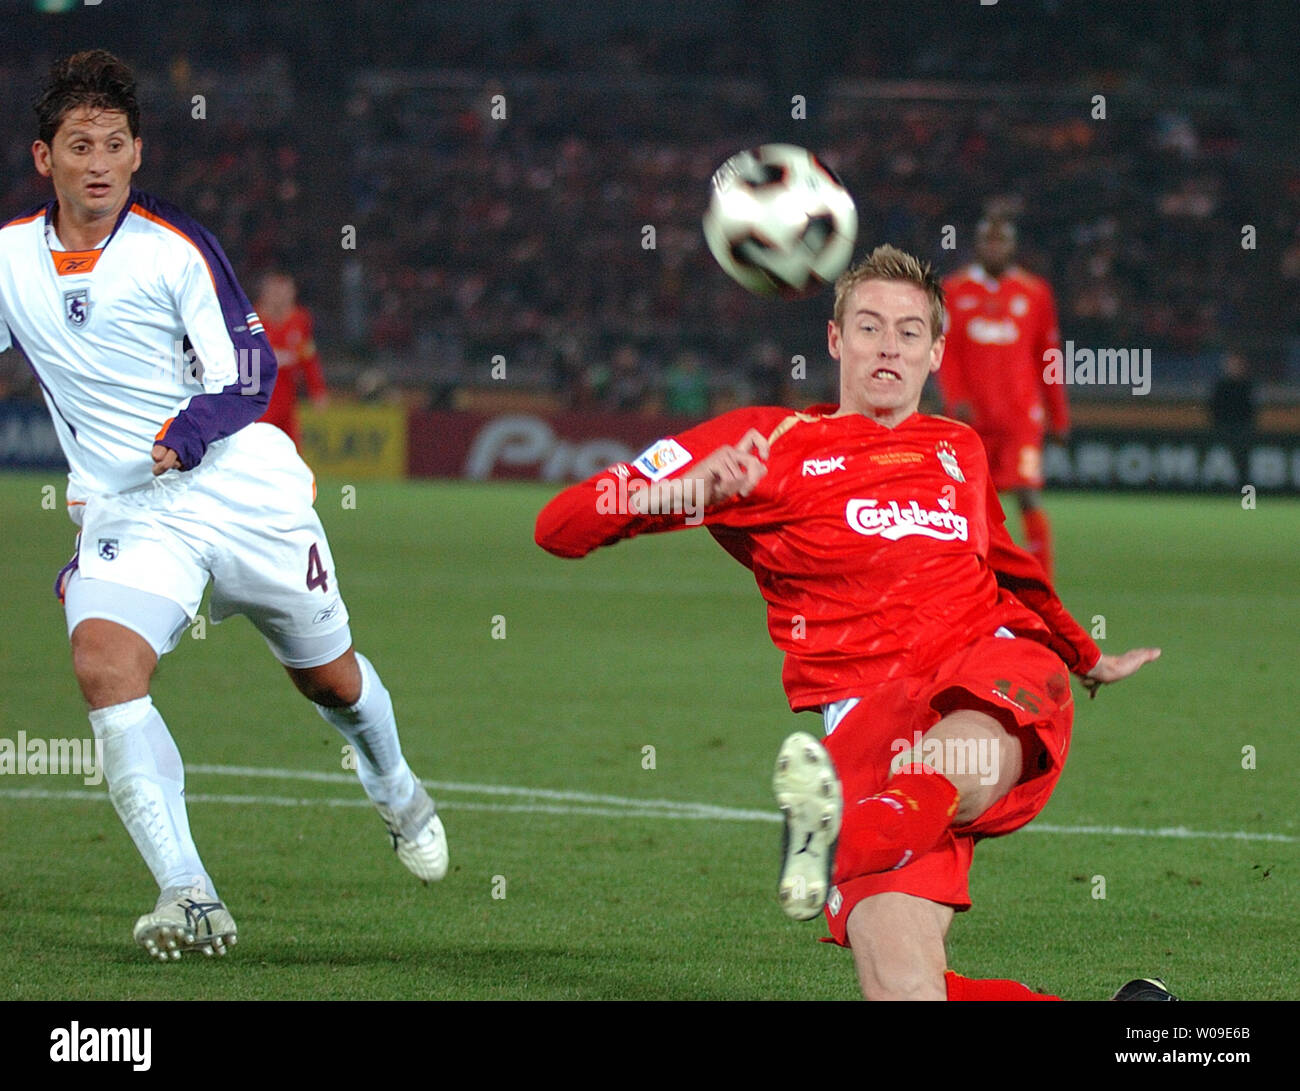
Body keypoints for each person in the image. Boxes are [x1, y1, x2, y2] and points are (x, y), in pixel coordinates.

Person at [536, 244, 1168, 1001]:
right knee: (907, 988)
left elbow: (1011, 566)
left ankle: (839, 835)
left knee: (941, 759)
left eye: (908, 332)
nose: (888, 348)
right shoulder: (765, 443)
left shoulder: (957, 448)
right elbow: (560, 526)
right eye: (869, 327)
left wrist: (1085, 654)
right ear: (836, 340)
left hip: (987, 670)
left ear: (936, 351)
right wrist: (684, 492)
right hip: (862, 725)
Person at [0, 51, 447, 962]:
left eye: (114, 145)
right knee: (103, 665)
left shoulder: (174, 248)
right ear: (43, 158)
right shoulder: (10, 259)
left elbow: (248, 370)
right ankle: (189, 892)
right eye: (78, 144)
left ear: (137, 155)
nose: (98, 162)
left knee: (330, 679)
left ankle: (398, 788)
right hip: (134, 510)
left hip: (234, 485)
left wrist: (190, 429)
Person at [938, 218, 1066, 579]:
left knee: (1027, 493)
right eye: (988, 241)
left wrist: (1059, 415)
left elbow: (1048, 356)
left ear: (1013, 246)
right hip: (973, 421)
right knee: (971, 501)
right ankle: (972, 575)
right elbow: (946, 352)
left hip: (1021, 417)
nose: (995, 248)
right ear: (977, 245)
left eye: (1002, 241)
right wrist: (955, 397)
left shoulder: (1035, 292)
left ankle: (1042, 582)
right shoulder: (954, 290)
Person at [255, 271, 328, 449]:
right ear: (265, 294)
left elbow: (308, 358)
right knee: (258, 449)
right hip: (259, 398)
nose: (280, 297)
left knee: (291, 450)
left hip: (288, 399)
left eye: (285, 291)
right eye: (275, 292)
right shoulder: (252, 320)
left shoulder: (300, 320)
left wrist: (317, 390)